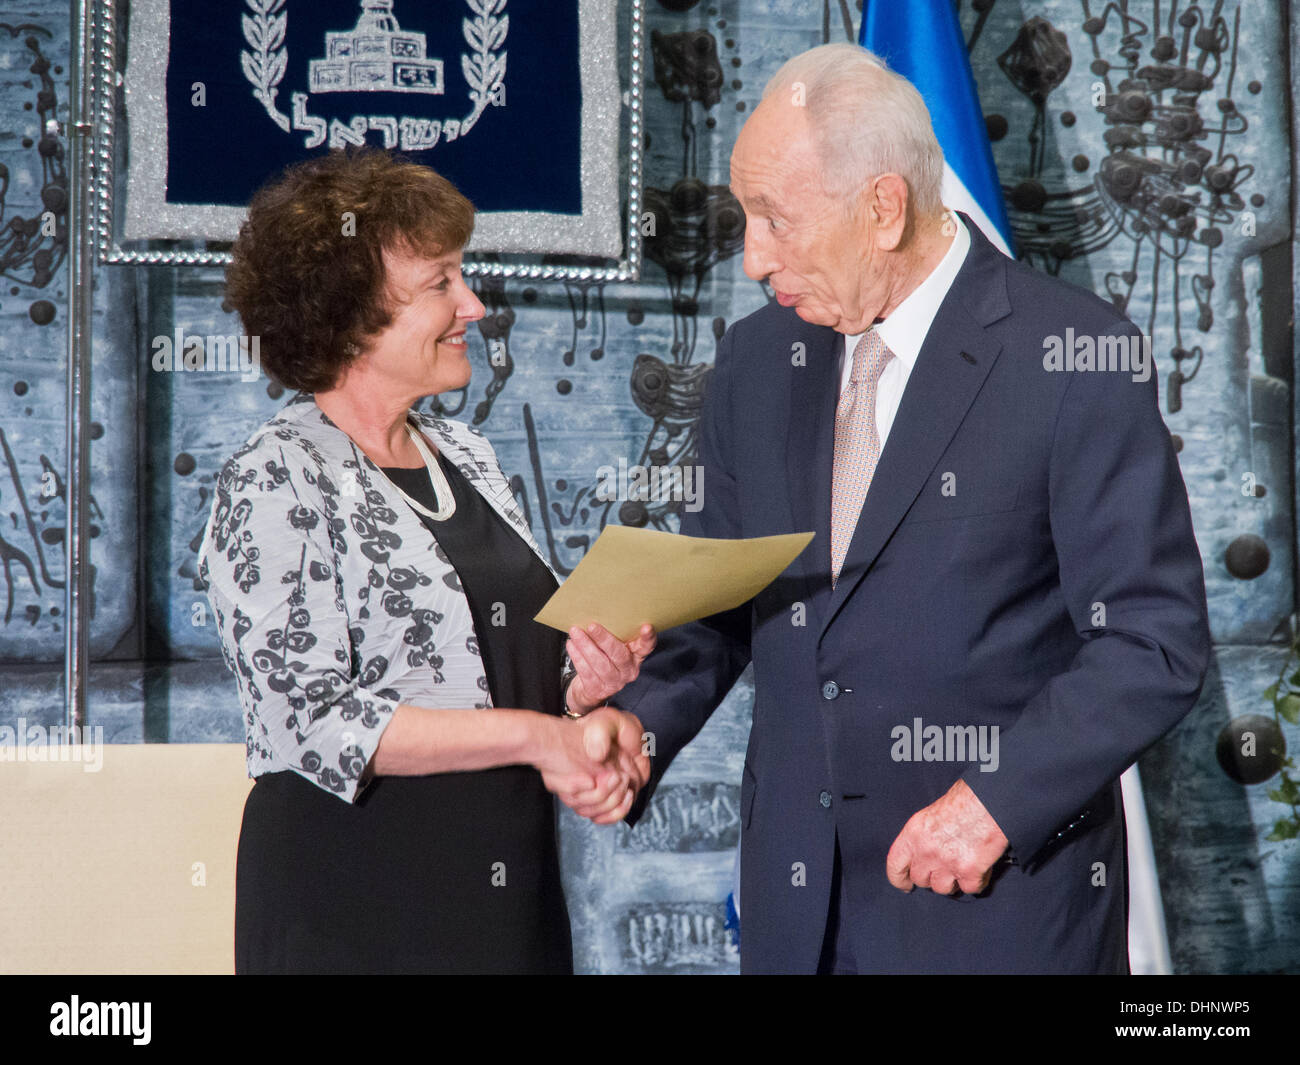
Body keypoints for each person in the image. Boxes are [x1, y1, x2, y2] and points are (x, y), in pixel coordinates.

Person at [597, 43, 1211, 974]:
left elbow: (1151, 640)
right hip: (796, 925)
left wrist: (996, 802)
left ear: (884, 209)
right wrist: (638, 721)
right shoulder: (757, 364)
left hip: (998, 912)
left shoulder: (1077, 359)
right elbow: (724, 603)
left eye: (775, 220)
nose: (753, 255)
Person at [199, 148, 653, 974]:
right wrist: (541, 737)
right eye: (440, 283)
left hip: (504, 901)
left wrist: (584, 693)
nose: (474, 305)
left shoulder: (467, 457)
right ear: (349, 317)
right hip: (354, 903)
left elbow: (492, 667)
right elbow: (313, 721)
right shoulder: (274, 476)